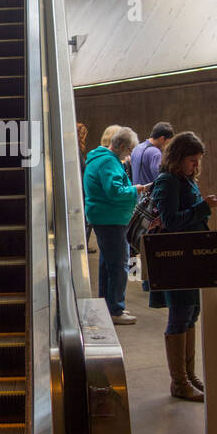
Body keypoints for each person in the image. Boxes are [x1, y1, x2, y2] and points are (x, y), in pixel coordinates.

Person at [148, 131, 217, 401]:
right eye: (192, 160)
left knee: (192, 312)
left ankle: (189, 375)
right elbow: (171, 221)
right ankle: (179, 381)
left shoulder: (184, 179)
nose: (196, 165)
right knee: (180, 314)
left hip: (193, 255)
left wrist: (207, 206)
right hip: (176, 259)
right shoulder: (167, 181)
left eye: (198, 161)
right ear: (178, 158)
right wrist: (202, 208)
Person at [83, 127, 139, 324]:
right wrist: (135, 190)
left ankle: (107, 305)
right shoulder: (109, 162)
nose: (130, 154)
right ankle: (116, 309)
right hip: (112, 219)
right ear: (122, 146)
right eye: (130, 150)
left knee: (107, 264)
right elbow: (115, 191)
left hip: (103, 217)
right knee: (119, 265)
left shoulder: (96, 158)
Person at [130, 121, 174, 187]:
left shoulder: (137, 148)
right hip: (150, 195)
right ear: (162, 139)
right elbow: (159, 179)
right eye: (168, 143)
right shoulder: (155, 153)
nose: (167, 147)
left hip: (137, 194)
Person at [76, 123, 96, 252]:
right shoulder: (76, 149)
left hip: (79, 185)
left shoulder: (74, 148)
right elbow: (82, 167)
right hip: (81, 186)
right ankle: (84, 243)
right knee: (87, 217)